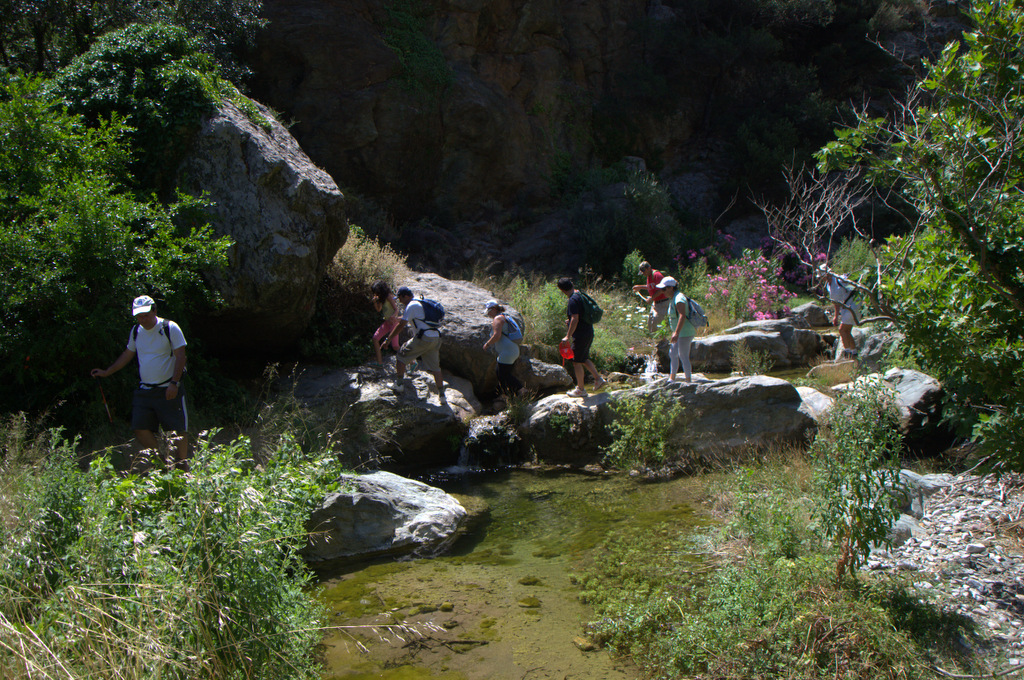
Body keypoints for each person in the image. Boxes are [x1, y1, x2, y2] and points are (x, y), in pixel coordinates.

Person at [91, 295, 190, 470]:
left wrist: (174, 383)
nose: (142, 319)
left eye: (145, 314)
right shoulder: (136, 331)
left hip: (168, 387)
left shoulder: (170, 327)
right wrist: (107, 372)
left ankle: (182, 466)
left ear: (154, 311)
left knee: (178, 429)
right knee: (139, 427)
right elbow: (128, 354)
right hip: (145, 390)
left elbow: (181, 356)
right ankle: (162, 464)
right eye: (139, 316)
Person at [385, 286, 446, 402]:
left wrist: (388, 339)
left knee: (401, 356)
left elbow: (401, 325)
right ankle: (442, 396)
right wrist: (397, 318)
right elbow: (411, 317)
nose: (400, 301)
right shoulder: (420, 301)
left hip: (423, 338)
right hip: (435, 338)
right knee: (436, 368)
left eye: (400, 298)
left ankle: (399, 385)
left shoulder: (411, 305)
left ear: (406, 296)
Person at [558, 277, 606, 398]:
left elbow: (575, 318)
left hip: (581, 335)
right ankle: (598, 379)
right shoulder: (579, 294)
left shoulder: (572, 300)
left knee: (576, 361)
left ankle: (580, 389)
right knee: (583, 358)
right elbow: (578, 316)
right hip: (588, 331)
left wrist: (567, 336)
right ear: (572, 284)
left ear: (562, 290)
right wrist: (570, 321)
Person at [481, 300, 526, 399]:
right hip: (511, 350)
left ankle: (520, 391)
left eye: (489, 311)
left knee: (502, 374)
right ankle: (509, 395)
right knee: (503, 374)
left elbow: (497, 335)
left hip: (508, 351)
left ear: (494, 309)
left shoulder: (498, 319)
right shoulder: (505, 316)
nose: (488, 314)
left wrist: (487, 344)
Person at [658, 277, 695, 382]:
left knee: (683, 355)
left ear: (671, 288)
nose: (662, 292)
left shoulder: (679, 298)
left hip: (684, 332)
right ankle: (672, 379)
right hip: (679, 333)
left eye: (664, 289)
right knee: (673, 353)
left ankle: (688, 381)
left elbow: (682, 315)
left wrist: (676, 332)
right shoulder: (674, 297)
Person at [820, 266, 860, 361]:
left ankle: (847, 354)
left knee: (842, 330)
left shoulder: (840, 280)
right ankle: (853, 353)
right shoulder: (828, 286)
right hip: (845, 308)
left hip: (853, 305)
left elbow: (854, 288)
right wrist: (835, 317)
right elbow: (835, 302)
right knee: (846, 331)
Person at [632, 261, 670, 334]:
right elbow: (651, 286)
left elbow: (662, 290)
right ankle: (658, 341)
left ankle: (664, 341)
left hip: (662, 303)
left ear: (649, 268)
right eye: (642, 272)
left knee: (656, 324)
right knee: (650, 324)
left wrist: (651, 298)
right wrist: (639, 287)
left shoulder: (657, 275)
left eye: (644, 271)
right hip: (655, 303)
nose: (643, 273)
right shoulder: (649, 276)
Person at [370, 280, 400, 367]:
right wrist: (375, 302)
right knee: (375, 338)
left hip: (393, 322)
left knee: (395, 346)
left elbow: (396, 309)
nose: (375, 293)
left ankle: (412, 362)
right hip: (387, 322)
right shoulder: (381, 298)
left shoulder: (388, 296)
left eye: (376, 291)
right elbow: (379, 310)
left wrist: (393, 316)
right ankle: (379, 362)